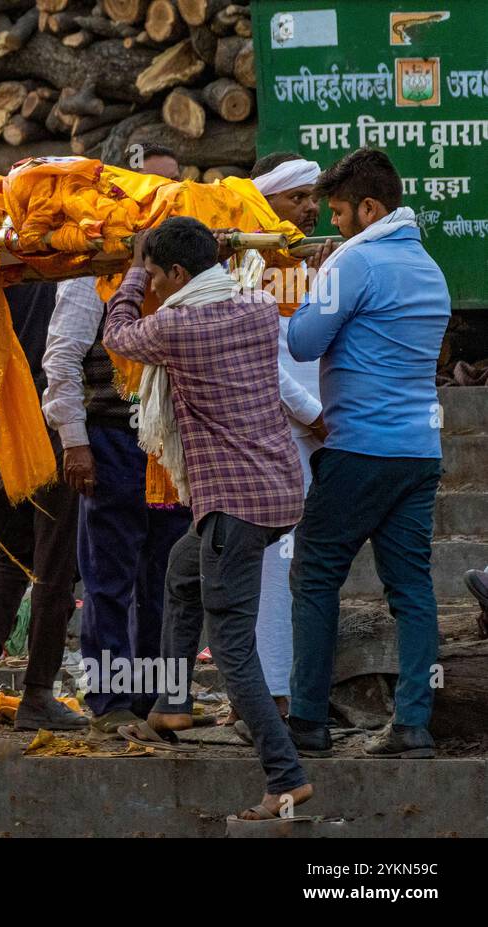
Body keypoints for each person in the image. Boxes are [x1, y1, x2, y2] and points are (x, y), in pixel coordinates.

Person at [103, 217, 312, 821]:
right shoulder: (255, 308)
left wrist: (131, 271)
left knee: (233, 650)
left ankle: (285, 778)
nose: (157, 289)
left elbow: (118, 332)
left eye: (160, 278)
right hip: (277, 490)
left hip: (233, 506)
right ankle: (172, 701)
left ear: (174, 273)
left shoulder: (177, 326)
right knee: (179, 567)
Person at [287, 148, 451, 759]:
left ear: (370, 208)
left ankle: (306, 720)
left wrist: (299, 291)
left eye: (338, 212)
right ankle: (412, 723)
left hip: (358, 450)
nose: (333, 225)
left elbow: (303, 343)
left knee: (316, 576)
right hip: (418, 453)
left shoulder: (355, 265)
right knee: (411, 588)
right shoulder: (428, 268)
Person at [41, 145, 191, 735]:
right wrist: (74, 441)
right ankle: (110, 703)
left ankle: (161, 700)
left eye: (174, 187)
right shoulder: (93, 272)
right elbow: (61, 359)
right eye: (151, 188)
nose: (164, 200)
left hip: (171, 446)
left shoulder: (190, 273)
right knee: (109, 578)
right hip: (110, 441)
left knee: (170, 577)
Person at [0, 283, 89, 732]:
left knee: (9, 558)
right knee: (55, 568)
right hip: (55, 427)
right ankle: (38, 694)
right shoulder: (78, 272)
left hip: (4, 426)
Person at [224, 152, 326, 730]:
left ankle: (295, 697)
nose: (310, 208)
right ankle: (270, 701)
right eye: (297, 198)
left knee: (305, 566)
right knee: (270, 569)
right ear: (265, 203)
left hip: (320, 433)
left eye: (314, 197)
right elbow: (264, 359)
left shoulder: (319, 261)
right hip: (277, 435)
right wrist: (312, 414)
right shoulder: (246, 267)